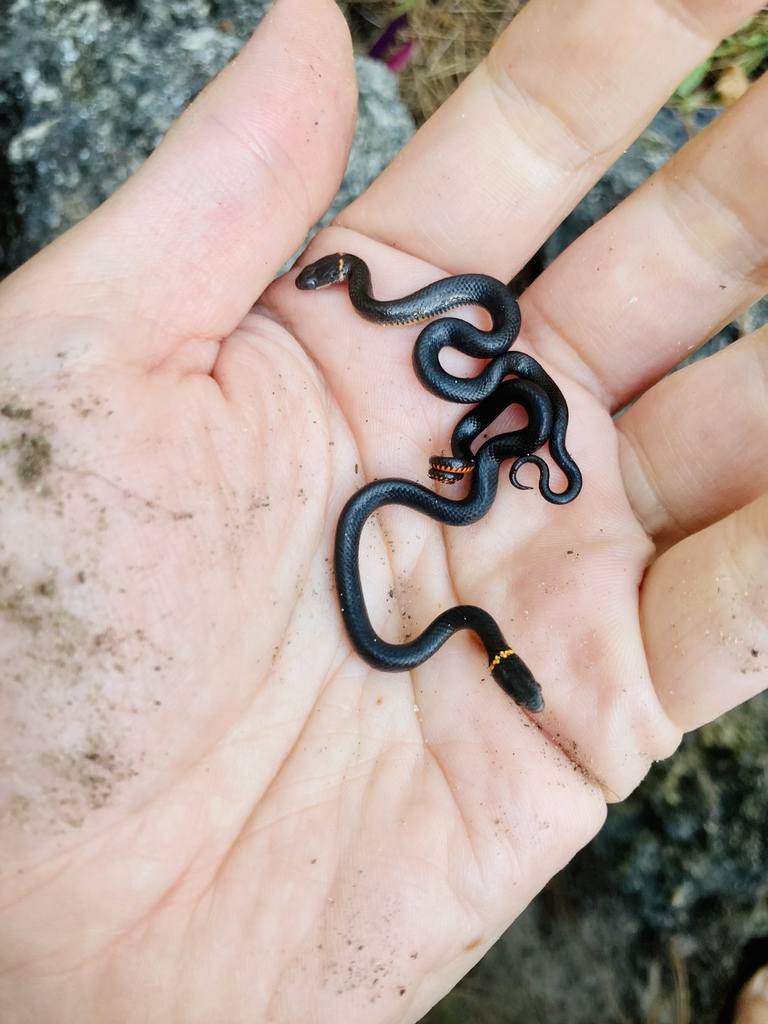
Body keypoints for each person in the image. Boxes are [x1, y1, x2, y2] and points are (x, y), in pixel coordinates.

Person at [0, 0, 766, 1020]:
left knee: (487, 443)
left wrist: (511, 445)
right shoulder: (419, 338)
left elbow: (489, 416)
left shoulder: (471, 375)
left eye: (509, 672)